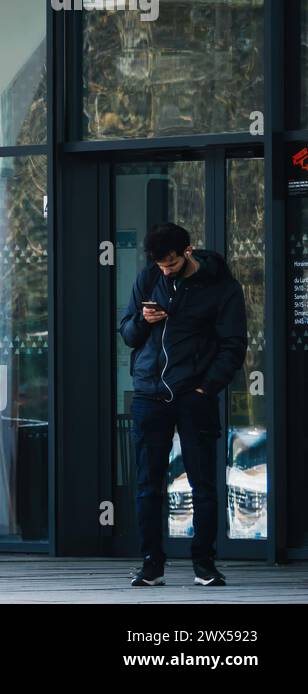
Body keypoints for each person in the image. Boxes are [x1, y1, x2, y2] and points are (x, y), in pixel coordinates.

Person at [118, 222, 247, 588]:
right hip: (149, 394)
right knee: (147, 484)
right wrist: (142, 321)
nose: (166, 270)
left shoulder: (222, 288)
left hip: (194, 396)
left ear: (188, 251)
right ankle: (151, 566)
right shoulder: (147, 279)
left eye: (171, 264)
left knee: (202, 483)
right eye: (160, 265)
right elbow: (127, 333)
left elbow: (234, 344)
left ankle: (204, 565)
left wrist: (208, 388)